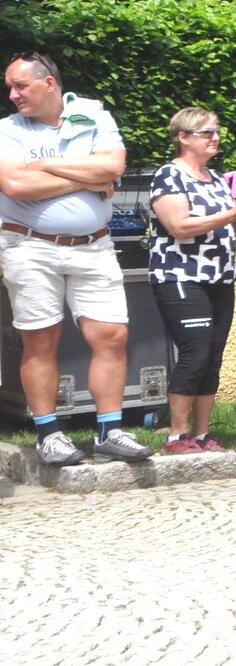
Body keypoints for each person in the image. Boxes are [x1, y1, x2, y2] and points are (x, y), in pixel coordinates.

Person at [0, 53, 154, 464]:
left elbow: (113, 165)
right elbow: (14, 184)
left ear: (48, 83)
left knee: (112, 337)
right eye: (10, 87)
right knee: (40, 341)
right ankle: (49, 434)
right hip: (29, 246)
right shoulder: (8, 130)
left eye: (20, 86)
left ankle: (110, 430)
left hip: (94, 245)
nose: (13, 95)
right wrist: (88, 177)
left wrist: (46, 165)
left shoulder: (94, 116)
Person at [147, 108, 236, 454]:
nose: (214, 138)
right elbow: (179, 227)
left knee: (212, 356)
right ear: (183, 137)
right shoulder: (169, 176)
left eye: (216, 132)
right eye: (205, 132)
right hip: (180, 276)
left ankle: (202, 435)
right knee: (194, 352)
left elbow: (230, 230)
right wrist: (233, 212)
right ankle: (177, 436)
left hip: (219, 277)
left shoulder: (216, 179)